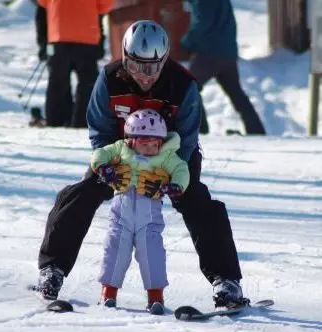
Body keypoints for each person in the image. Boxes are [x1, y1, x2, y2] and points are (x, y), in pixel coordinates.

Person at [37, 20, 244, 309]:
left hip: (172, 157)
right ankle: (53, 268)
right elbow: (99, 129)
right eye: (135, 66)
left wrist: (168, 173)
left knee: (198, 200)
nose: (144, 76)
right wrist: (110, 166)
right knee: (80, 194)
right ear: (124, 57)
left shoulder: (182, 84)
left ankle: (226, 280)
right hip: (121, 153)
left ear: (164, 61)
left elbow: (186, 138)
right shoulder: (109, 79)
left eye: (152, 68)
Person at [91, 108, 189, 315]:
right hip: (121, 211)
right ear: (132, 140)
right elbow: (100, 153)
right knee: (115, 250)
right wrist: (103, 168)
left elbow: (181, 169)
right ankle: (108, 292)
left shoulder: (166, 156)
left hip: (149, 214)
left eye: (156, 142)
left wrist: (175, 186)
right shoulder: (120, 149)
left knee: (152, 253)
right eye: (145, 142)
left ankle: (156, 296)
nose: (152, 147)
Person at [181, 0, 266, 135]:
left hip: (209, 53)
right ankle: (256, 131)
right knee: (236, 94)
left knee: (188, 87)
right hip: (228, 53)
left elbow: (202, 21)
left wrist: (186, 42)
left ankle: (201, 131)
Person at [35, 0, 113, 128]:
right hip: (87, 38)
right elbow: (104, 7)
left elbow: (41, 11)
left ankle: (56, 120)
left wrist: (43, 43)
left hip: (58, 38)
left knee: (58, 82)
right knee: (87, 83)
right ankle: (83, 121)